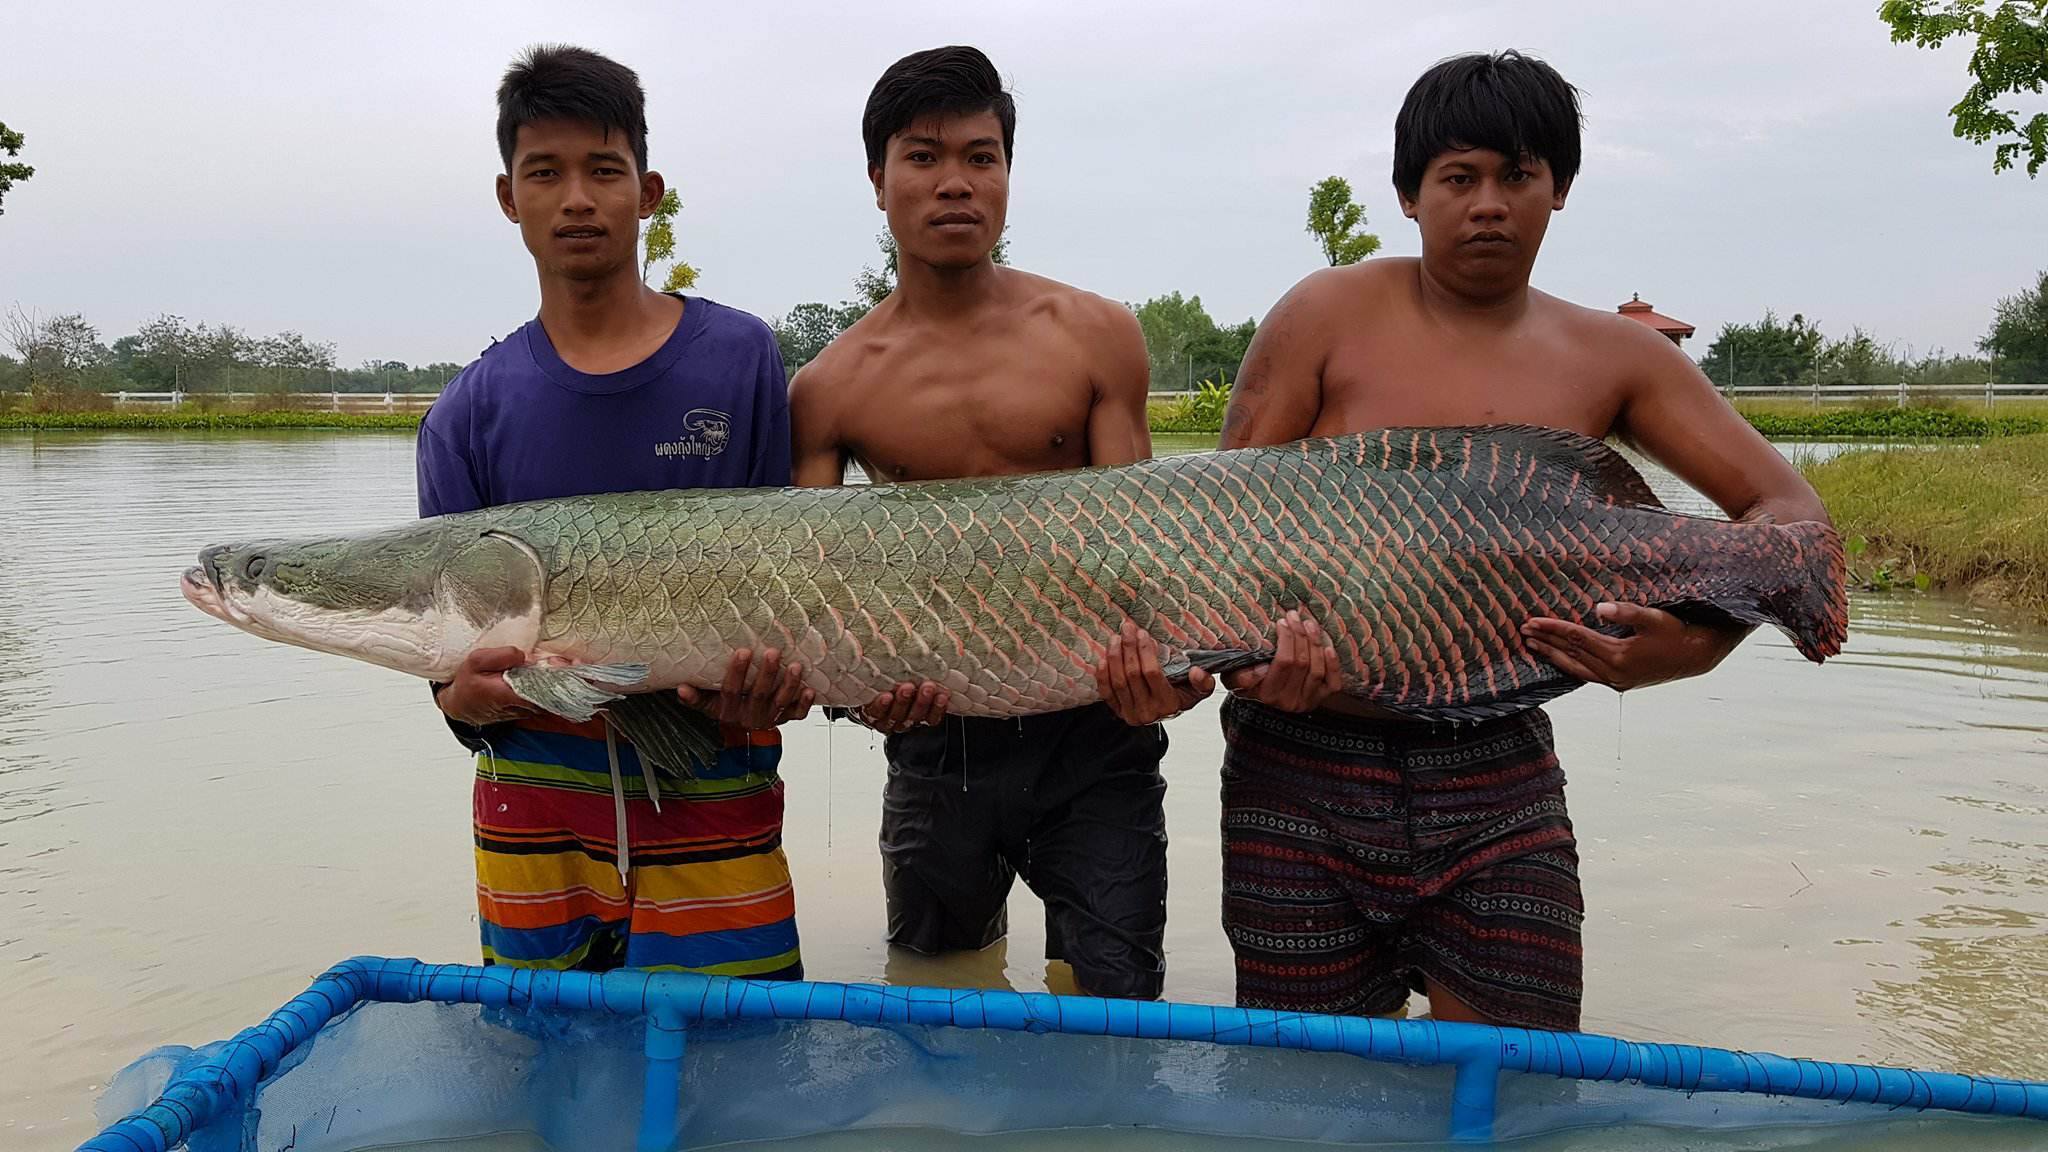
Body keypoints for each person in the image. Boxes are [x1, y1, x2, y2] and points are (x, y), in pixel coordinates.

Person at [1206, 50, 1834, 1031]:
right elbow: (1217, 541)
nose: (1487, 204)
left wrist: (1695, 646)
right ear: (1409, 196)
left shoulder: (1612, 355)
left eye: (1516, 176)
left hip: (1495, 766)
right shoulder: (1320, 317)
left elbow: (1787, 520)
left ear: (1560, 188)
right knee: (1308, 1101)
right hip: (1298, 767)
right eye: (1457, 178)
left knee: (1515, 1089)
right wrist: (1256, 668)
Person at [789, 45, 1191, 1000]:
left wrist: (1166, 674)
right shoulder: (831, 384)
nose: (956, 184)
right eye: (924, 157)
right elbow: (806, 585)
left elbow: (1139, 553)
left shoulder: (1095, 334)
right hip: (936, 745)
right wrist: (859, 694)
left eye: (982, 156)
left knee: (1116, 1003)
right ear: (878, 179)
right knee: (933, 995)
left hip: (1097, 738)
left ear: (1010, 174)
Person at [418, 44, 815, 976]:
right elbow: (446, 670)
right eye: (544, 172)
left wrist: (773, 684)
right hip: (534, 813)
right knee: (550, 1080)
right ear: (509, 196)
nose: (577, 199)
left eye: (604, 170)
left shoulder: (740, 358)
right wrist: (458, 698)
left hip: (717, 790)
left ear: (650, 190)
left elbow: (795, 574)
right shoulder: (466, 413)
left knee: (742, 1073)